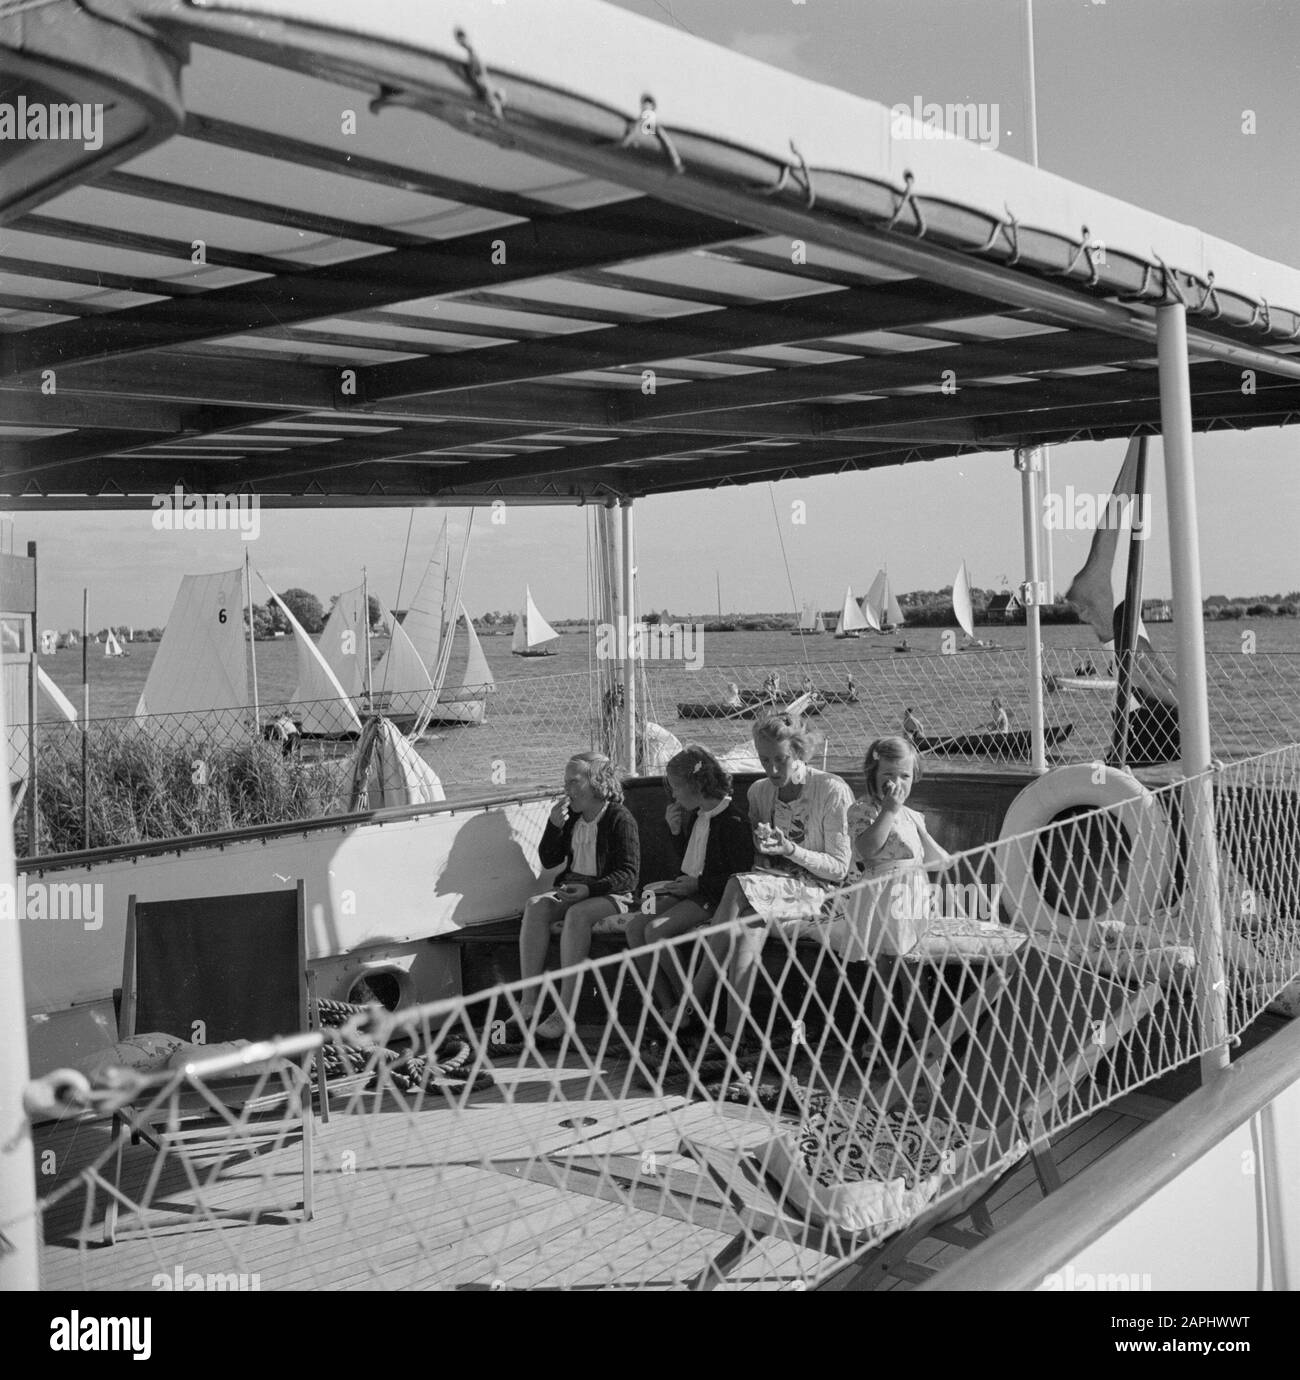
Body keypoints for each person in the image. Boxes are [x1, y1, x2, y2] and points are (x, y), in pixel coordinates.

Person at [678, 711, 853, 1054]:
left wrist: (790, 849)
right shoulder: (760, 792)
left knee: (738, 887)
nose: (772, 769)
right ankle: (733, 1035)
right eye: (764, 759)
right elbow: (762, 859)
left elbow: (839, 869)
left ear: (799, 752)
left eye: (780, 759)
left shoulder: (831, 790)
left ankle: (691, 1003)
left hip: (823, 891)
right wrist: (766, 848)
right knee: (747, 921)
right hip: (776, 886)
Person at [625, 747, 752, 1037]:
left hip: (712, 897)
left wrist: (697, 885)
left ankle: (690, 1007)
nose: (673, 796)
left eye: (675, 788)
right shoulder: (696, 816)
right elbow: (690, 862)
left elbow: (739, 878)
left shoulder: (732, 821)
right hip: (690, 891)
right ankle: (669, 1006)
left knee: (656, 931)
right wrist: (674, 832)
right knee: (636, 928)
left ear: (695, 786)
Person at [842, 736, 953, 1059]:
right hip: (885, 900)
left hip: (912, 898)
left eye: (905, 776)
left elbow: (933, 856)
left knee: (906, 974)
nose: (897, 783)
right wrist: (889, 810)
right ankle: (926, 1044)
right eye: (889, 775)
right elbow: (866, 850)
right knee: (897, 974)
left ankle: (886, 1042)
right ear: (872, 773)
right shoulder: (864, 810)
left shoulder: (912, 815)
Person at [516, 751, 639, 1043]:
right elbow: (549, 860)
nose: (567, 789)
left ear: (596, 782)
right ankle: (528, 1001)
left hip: (610, 893)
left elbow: (629, 874)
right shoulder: (572, 818)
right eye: (565, 782)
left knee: (577, 915)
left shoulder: (619, 818)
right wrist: (553, 827)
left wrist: (590, 890)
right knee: (535, 907)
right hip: (575, 888)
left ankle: (565, 1010)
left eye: (574, 781)